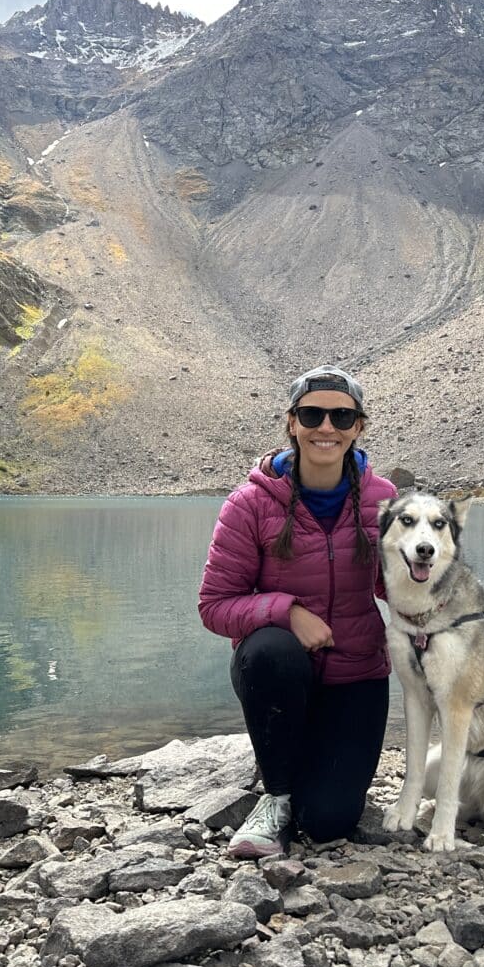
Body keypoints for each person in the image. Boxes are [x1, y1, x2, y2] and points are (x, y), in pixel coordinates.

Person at [198, 365, 398, 857]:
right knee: (270, 650)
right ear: (292, 423)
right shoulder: (249, 504)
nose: (326, 427)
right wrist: (288, 613)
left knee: (329, 822)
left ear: (358, 427)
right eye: (312, 415)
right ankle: (276, 795)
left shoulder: (384, 500)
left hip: (357, 672)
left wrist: (436, 583)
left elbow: (393, 587)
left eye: (341, 417)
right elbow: (215, 605)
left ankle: (300, 760)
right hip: (282, 670)